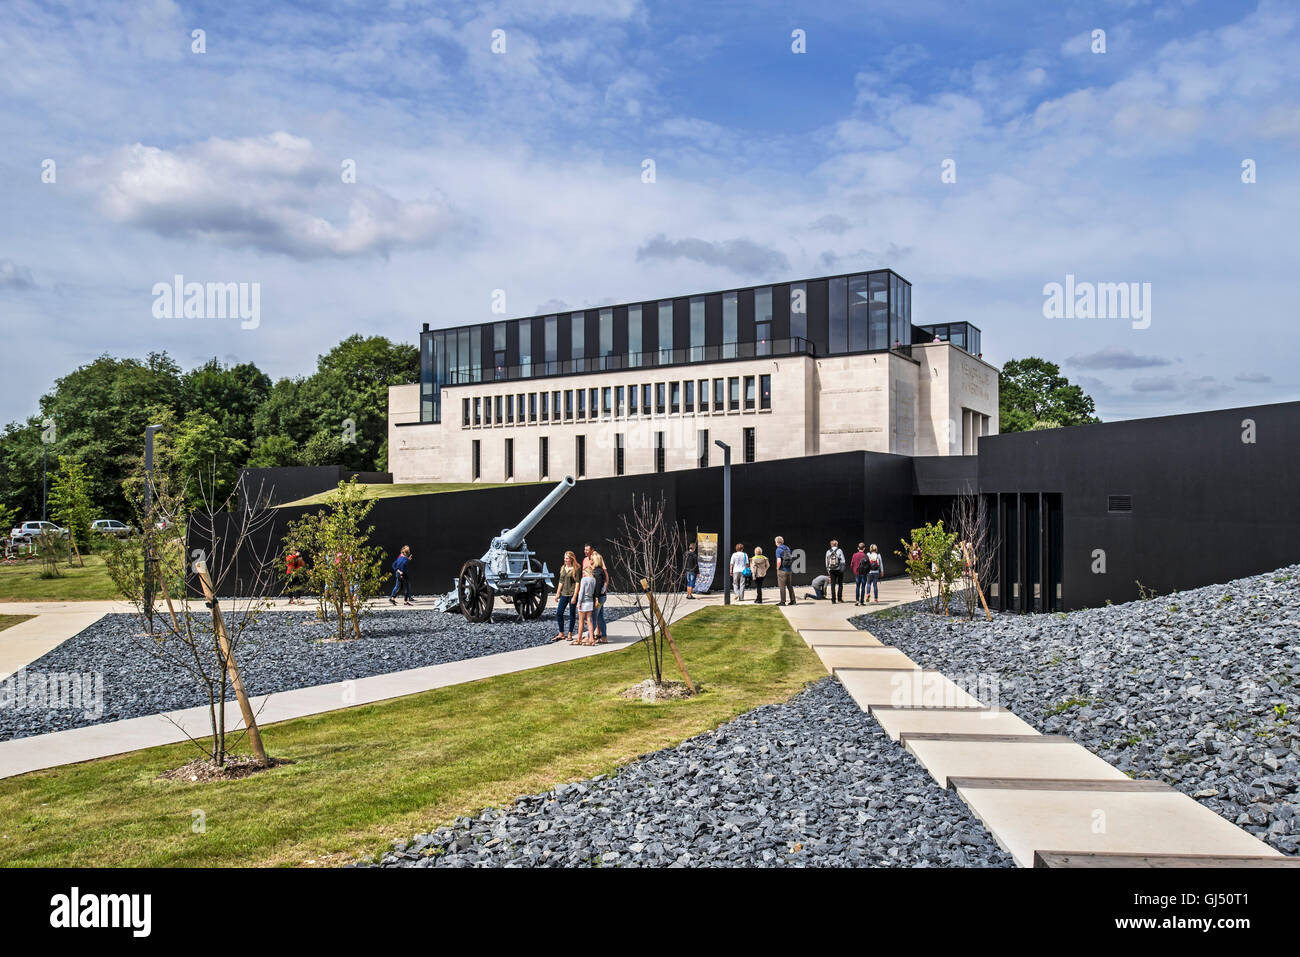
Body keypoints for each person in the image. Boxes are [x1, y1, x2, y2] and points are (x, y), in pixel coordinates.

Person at [553, 550, 578, 642]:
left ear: (571, 559)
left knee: (572, 614)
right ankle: (561, 633)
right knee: (559, 613)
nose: (565, 560)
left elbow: (577, 583)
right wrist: (557, 593)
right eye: (564, 558)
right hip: (564, 594)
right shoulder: (563, 568)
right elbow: (561, 581)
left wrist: (575, 596)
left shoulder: (576, 568)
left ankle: (570, 633)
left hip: (572, 594)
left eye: (567, 558)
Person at [573, 565, 597, 646]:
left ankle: (579, 639)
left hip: (583, 602)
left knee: (581, 621)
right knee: (589, 620)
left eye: (584, 572)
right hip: (590, 602)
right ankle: (591, 639)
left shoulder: (584, 580)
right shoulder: (593, 580)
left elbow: (581, 592)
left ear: (587, 572)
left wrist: (579, 602)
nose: (583, 574)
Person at [590, 552, 610, 643]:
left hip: (598, 599)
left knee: (594, 617)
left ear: (595, 560)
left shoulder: (597, 572)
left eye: (592, 559)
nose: (590, 561)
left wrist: (596, 599)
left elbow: (598, 586)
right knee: (600, 617)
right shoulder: (601, 570)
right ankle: (604, 637)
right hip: (602, 597)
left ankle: (589, 637)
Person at [775, 536, 796, 605]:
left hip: (782, 570)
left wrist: (777, 568)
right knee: (790, 586)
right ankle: (793, 600)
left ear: (777, 542)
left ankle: (782, 601)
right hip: (789, 570)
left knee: (782, 586)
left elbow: (779, 561)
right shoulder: (787, 548)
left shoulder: (778, 549)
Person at [825, 539, 846, 604]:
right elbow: (843, 561)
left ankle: (833, 600)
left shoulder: (828, 552)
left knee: (832, 585)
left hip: (831, 570)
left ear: (831, 545)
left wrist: (828, 570)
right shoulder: (839, 550)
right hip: (839, 570)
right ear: (836, 544)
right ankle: (839, 599)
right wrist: (842, 569)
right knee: (840, 584)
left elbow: (826, 562)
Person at [851, 542, 868, 606]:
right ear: (864, 548)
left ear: (858, 548)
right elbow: (868, 565)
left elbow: (851, 564)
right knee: (863, 587)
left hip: (857, 573)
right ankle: (862, 601)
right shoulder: (865, 556)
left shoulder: (854, 555)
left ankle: (857, 600)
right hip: (863, 574)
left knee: (857, 586)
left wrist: (854, 570)